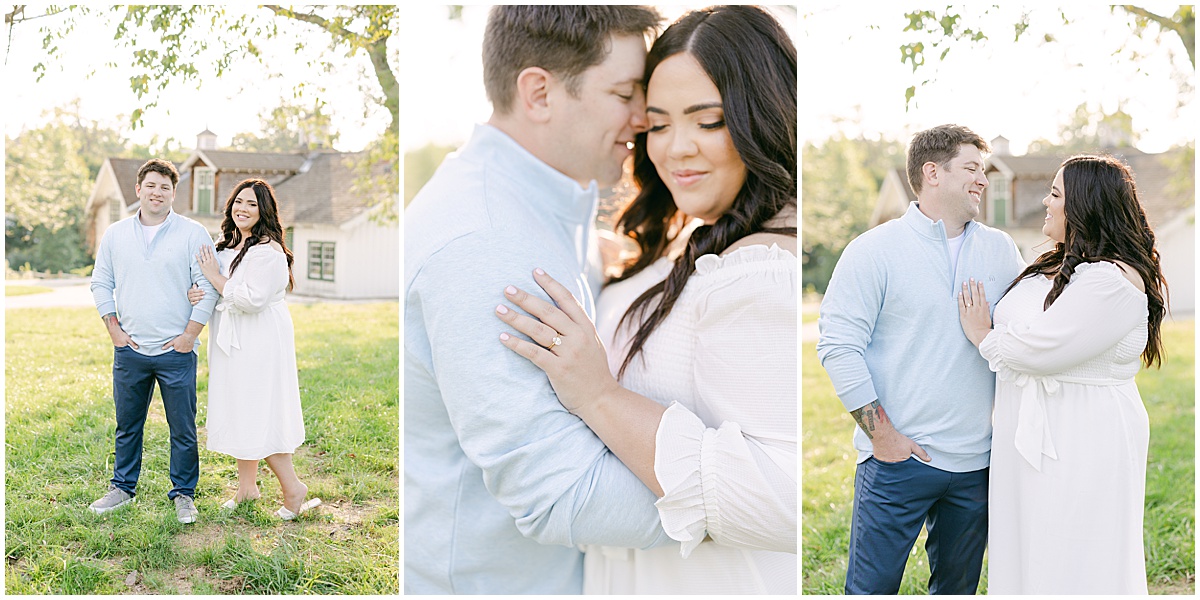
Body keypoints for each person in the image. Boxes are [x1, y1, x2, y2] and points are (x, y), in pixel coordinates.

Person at [494, 6, 797, 594]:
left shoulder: (760, 272)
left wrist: (599, 397)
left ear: (764, 116)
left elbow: (784, 496)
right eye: (657, 125)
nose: (675, 148)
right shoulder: (699, 236)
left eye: (708, 121)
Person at [404, 6, 673, 594]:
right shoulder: (486, 241)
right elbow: (562, 496)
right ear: (540, 93)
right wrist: (748, 490)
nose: (643, 118)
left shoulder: (541, 204)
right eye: (626, 92)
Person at [816, 125, 1025, 594]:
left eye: (984, 170)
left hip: (976, 464)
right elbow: (837, 345)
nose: (983, 180)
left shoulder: (1001, 250)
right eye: (972, 168)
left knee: (957, 591)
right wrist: (882, 436)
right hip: (896, 461)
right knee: (870, 590)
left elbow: (1017, 339)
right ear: (933, 172)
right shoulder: (873, 250)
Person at [958, 154, 1165, 594]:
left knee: (1073, 547)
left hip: (1081, 431)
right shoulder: (1062, 263)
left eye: (1055, 195)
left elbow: (1040, 350)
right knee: (1029, 541)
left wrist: (983, 336)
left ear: (1085, 206)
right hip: (1031, 425)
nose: (1046, 203)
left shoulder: (1111, 281)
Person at [89, 158, 218, 524]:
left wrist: (188, 337)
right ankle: (122, 488)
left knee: (183, 427)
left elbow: (208, 286)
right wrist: (113, 329)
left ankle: (184, 494)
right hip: (130, 350)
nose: (157, 192)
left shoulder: (193, 233)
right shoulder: (115, 234)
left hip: (176, 351)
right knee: (127, 424)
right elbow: (101, 282)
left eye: (165, 187)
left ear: (173, 193)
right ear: (138, 189)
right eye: (151, 185)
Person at [188, 178, 320, 520]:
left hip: (260, 338)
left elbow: (249, 299)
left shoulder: (267, 251)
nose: (243, 209)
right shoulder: (229, 247)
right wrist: (199, 290)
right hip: (233, 338)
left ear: (264, 211)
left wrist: (213, 277)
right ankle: (247, 488)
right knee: (240, 407)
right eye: (239, 202)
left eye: (251, 204)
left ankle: (294, 489)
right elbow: (212, 289)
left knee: (258, 410)